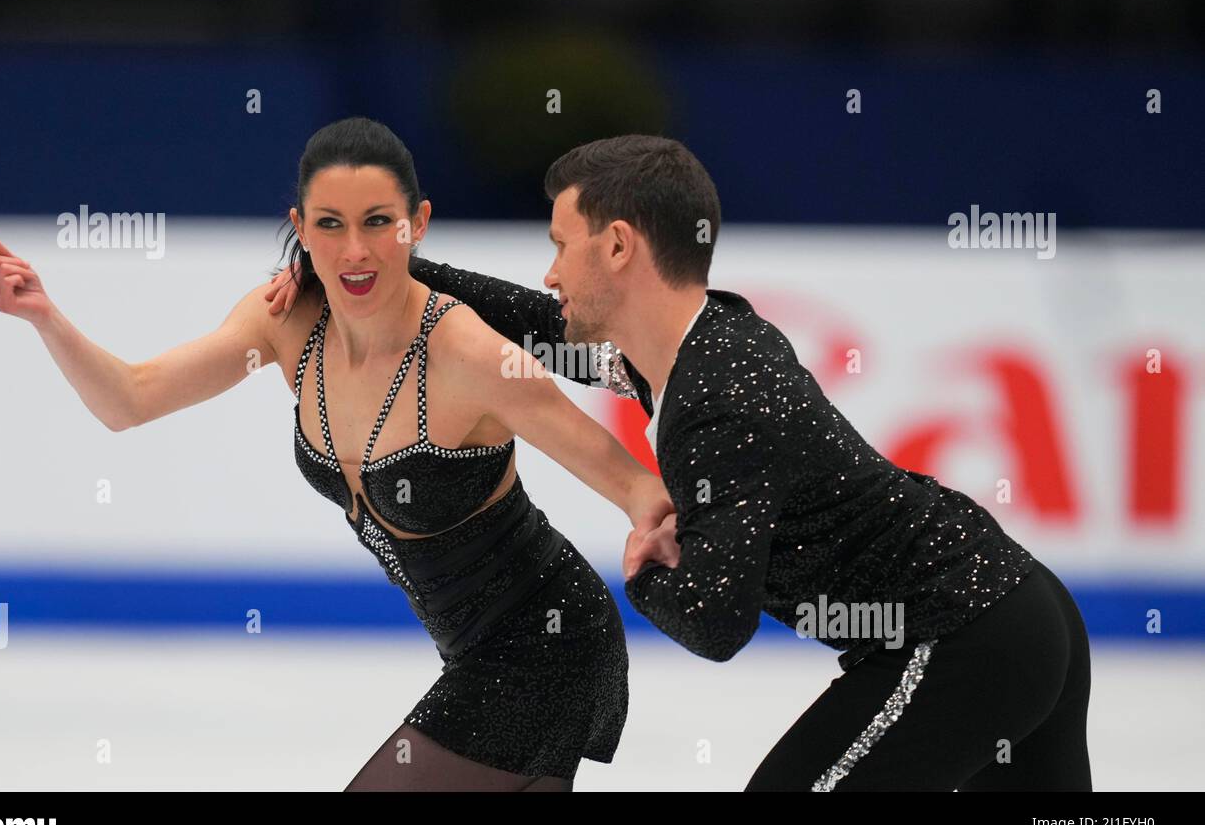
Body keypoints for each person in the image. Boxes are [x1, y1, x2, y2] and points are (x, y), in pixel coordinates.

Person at [266, 133, 1093, 791]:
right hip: (1021, 608)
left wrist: (646, 570)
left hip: (960, 635)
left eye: (562, 245)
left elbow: (715, 623)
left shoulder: (716, 398)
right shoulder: (688, 347)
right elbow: (530, 320)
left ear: (618, 246)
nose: (551, 273)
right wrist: (361, 271)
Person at [0, 117, 674, 792]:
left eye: (376, 223)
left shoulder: (468, 355)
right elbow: (131, 399)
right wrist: (43, 316)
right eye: (329, 224)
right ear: (300, 227)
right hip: (473, 655)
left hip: (545, 645)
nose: (355, 252)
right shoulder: (284, 323)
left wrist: (671, 521)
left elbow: (630, 482)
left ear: (416, 225)